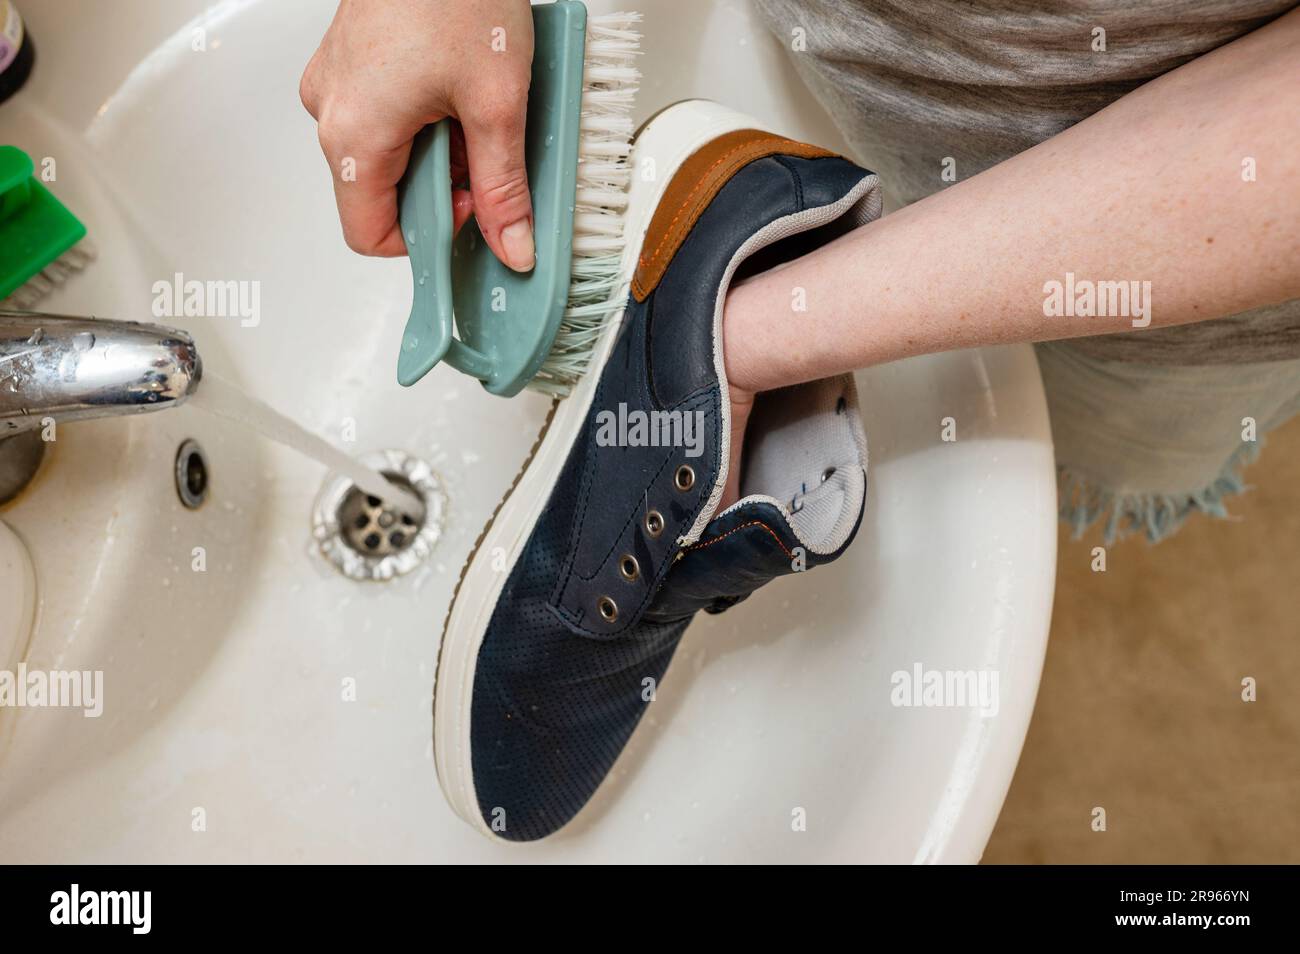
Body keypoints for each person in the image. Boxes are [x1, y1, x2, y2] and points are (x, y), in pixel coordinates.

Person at [299, 0, 1299, 843]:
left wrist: (753, 340)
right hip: (830, 44)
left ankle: (724, 329)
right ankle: (721, 308)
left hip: (1181, 220)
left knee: (1087, 424)